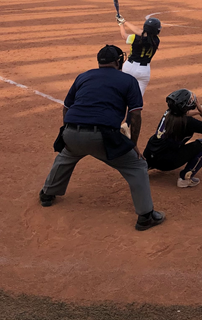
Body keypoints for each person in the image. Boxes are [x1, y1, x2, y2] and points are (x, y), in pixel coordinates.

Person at [39, 44, 164, 231]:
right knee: (137, 165)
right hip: (102, 137)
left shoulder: (83, 76)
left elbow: (66, 107)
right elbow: (135, 114)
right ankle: (146, 216)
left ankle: (47, 194)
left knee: (67, 155)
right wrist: (133, 144)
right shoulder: (128, 80)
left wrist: (69, 132)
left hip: (71, 132)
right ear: (118, 61)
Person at [144, 89, 202, 188]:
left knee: (162, 142)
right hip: (166, 163)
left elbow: (183, 114)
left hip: (149, 155)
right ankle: (184, 179)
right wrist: (201, 110)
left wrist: (197, 112)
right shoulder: (189, 122)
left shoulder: (168, 113)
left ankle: (146, 166)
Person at [118, 17, 162, 96]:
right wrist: (125, 22)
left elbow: (124, 35)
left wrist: (121, 24)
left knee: (122, 93)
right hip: (144, 71)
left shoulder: (134, 38)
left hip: (129, 67)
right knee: (137, 98)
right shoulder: (156, 40)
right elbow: (142, 33)